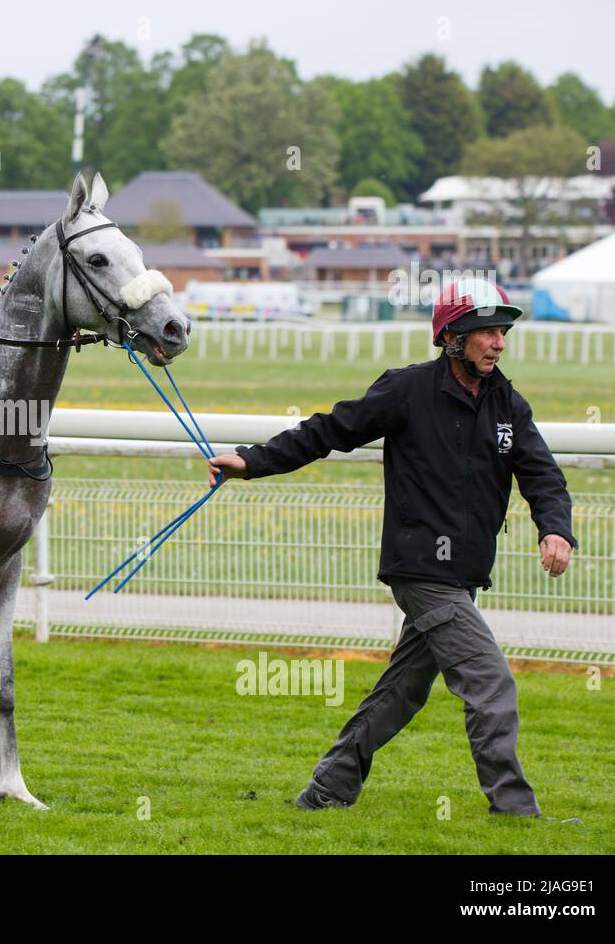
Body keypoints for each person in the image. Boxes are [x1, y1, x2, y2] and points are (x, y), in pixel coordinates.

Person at [208, 278, 576, 817]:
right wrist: (252, 461)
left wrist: (555, 528)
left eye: (502, 332)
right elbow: (329, 431)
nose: (498, 343)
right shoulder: (407, 390)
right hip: (421, 569)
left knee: (401, 692)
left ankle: (327, 790)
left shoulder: (507, 404)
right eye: (486, 332)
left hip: (464, 574)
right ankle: (516, 811)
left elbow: (543, 475)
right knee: (491, 683)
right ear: (452, 337)